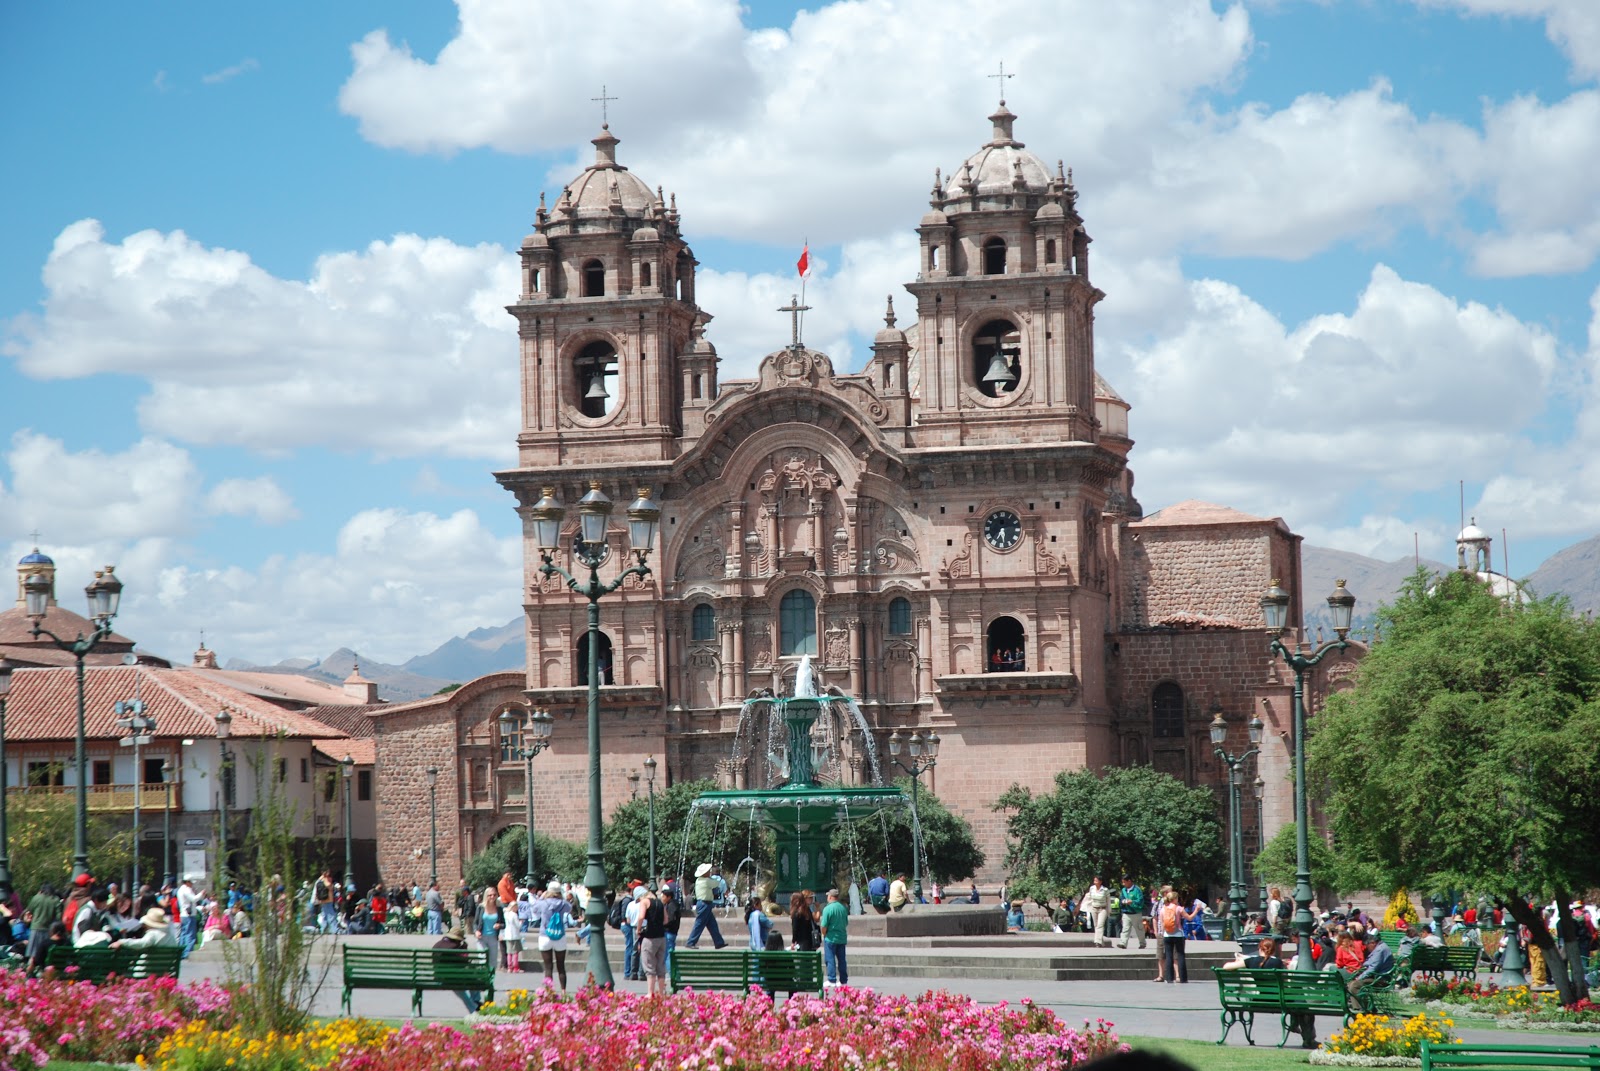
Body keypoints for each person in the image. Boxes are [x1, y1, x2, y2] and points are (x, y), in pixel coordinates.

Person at [532, 881, 575, 992]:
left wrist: (542, 897)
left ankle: (549, 992)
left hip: (545, 936)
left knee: (548, 967)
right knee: (561, 966)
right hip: (560, 935)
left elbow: (534, 909)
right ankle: (563, 991)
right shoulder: (563, 904)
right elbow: (570, 908)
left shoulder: (543, 903)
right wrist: (562, 897)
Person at [432, 923, 483, 1014]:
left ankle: (474, 1007)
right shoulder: (454, 947)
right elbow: (463, 963)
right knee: (473, 979)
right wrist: (464, 949)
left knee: (460, 985)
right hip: (453, 978)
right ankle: (475, 1003)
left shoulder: (437, 945)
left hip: (439, 978)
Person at [684, 863, 728, 948]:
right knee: (699, 923)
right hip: (704, 904)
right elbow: (716, 883)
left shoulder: (699, 880)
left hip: (704, 904)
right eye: (708, 871)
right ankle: (690, 942)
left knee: (712, 924)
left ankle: (719, 942)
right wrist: (719, 878)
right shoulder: (706, 881)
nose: (709, 872)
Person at [638, 884, 668, 996]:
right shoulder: (660, 902)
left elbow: (641, 917)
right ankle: (661, 992)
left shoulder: (644, 902)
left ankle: (650, 993)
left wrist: (638, 929)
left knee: (649, 964)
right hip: (661, 937)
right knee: (660, 965)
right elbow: (666, 920)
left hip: (650, 937)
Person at [819, 887, 849, 987]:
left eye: (828, 896)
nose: (827, 897)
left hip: (830, 938)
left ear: (831, 897)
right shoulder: (843, 908)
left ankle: (832, 979)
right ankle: (843, 980)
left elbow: (824, 925)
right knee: (842, 960)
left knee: (830, 959)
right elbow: (846, 923)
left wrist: (824, 934)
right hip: (842, 937)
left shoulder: (827, 909)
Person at [1157, 889, 1188, 983]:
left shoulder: (1163, 909)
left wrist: (1163, 932)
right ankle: (1182, 978)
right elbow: (1190, 918)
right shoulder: (1179, 908)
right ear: (1174, 899)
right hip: (1178, 934)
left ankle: (1169, 978)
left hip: (1167, 935)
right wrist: (1197, 910)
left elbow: (1162, 923)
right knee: (1180, 955)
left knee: (1168, 956)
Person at [1116, 877, 1147, 950]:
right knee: (1125, 929)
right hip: (1126, 913)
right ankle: (1123, 943)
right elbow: (1121, 900)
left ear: (1129, 881)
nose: (1123, 884)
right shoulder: (1123, 890)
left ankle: (1142, 943)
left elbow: (1140, 901)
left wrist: (1132, 902)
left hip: (1136, 913)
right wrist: (1123, 902)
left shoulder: (1137, 890)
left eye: (1124, 882)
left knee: (1139, 930)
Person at [478, 885, 501, 975]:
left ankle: (491, 979)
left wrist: (499, 925)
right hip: (482, 937)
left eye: (494, 895)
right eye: (490, 895)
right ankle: (483, 978)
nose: (492, 897)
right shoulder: (481, 907)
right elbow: (476, 922)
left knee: (493, 961)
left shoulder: (499, 908)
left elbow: (503, 924)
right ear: (486, 896)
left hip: (493, 937)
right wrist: (476, 931)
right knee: (482, 959)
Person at [1082, 876, 1111, 947]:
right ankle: (1101, 941)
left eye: (1096, 881)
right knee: (1096, 925)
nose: (1095, 882)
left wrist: (1109, 910)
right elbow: (1089, 896)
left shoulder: (1105, 890)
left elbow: (1108, 901)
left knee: (1100, 925)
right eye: (1094, 880)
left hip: (1102, 909)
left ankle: (1097, 941)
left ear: (1100, 882)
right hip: (1094, 908)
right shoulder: (1092, 888)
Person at [176, 877, 201, 957]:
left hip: (183, 914)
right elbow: (194, 899)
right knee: (190, 934)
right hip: (189, 915)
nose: (192, 884)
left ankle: (181, 952)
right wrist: (201, 894)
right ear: (187, 882)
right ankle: (188, 953)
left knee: (183, 934)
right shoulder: (187, 890)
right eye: (191, 882)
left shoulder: (180, 890)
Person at [500, 891, 523, 971]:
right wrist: (521, 923)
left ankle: (509, 967)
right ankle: (515, 967)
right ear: (514, 907)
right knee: (515, 952)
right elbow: (518, 926)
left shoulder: (505, 914)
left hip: (507, 935)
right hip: (515, 935)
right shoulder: (514, 915)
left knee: (509, 952)